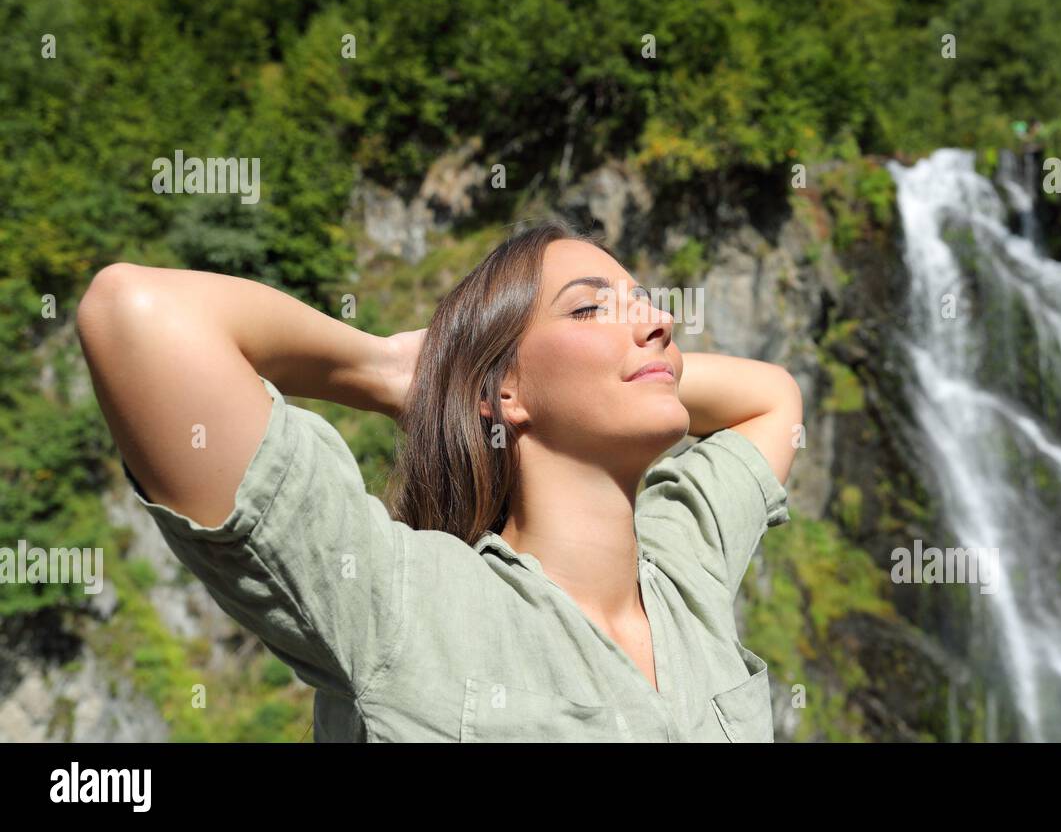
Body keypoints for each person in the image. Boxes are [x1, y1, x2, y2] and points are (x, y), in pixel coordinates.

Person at [74, 219, 803, 742]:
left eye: (646, 305)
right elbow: (135, 314)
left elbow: (772, 399)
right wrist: (392, 371)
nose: (659, 322)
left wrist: (647, 368)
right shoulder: (401, 603)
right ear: (504, 395)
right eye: (590, 308)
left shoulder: (686, 572)